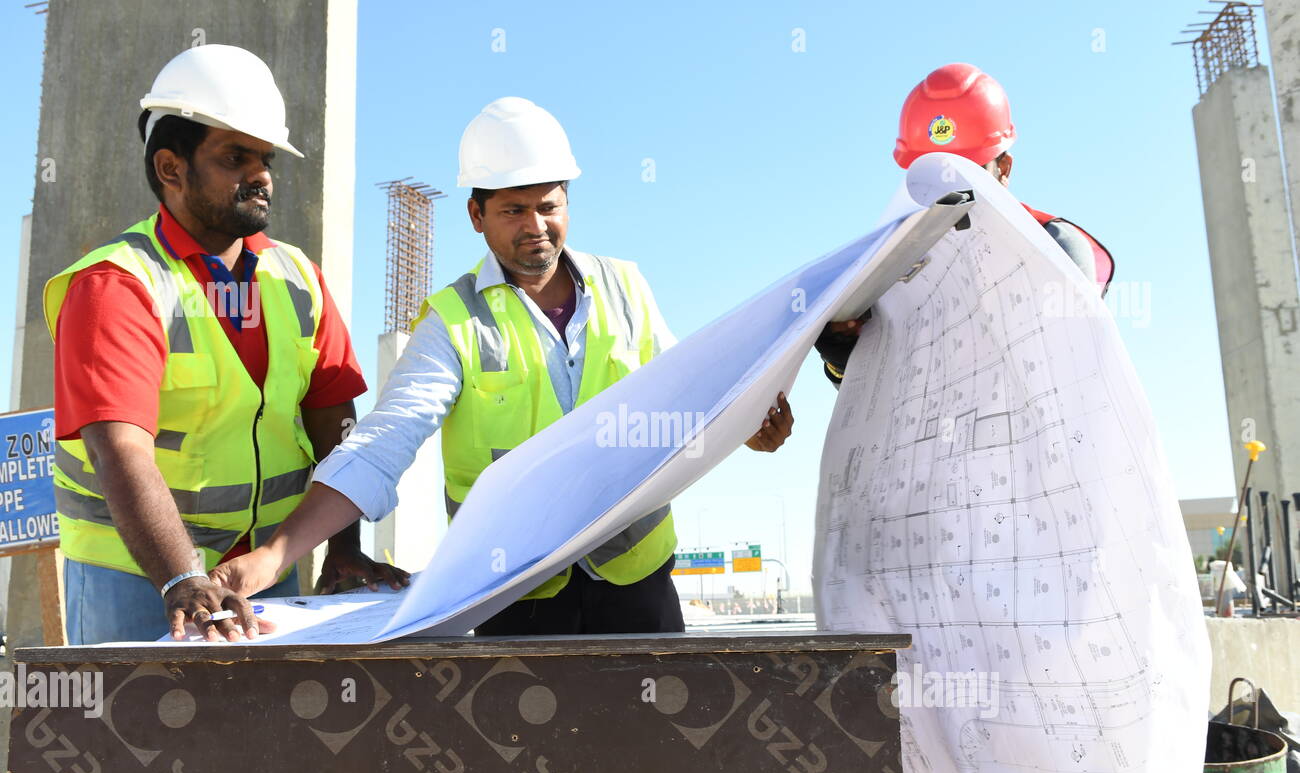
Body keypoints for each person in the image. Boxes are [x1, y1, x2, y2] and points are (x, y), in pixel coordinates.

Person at [211, 97, 793, 636]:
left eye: (548, 205)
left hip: (636, 579)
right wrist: (270, 559)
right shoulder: (450, 321)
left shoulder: (626, 287)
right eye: (514, 209)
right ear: (476, 214)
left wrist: (747, 425)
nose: (536, 226)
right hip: (515, 592)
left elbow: (689, 398)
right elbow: (381, 446)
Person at [43, 44, 402, 645]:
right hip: (135, 577)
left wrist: (342, 548)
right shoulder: (117, 285)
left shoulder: (297, 278)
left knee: (260, 736)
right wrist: (182, 577)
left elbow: (332, 420)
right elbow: (122, 453)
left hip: (262, 572)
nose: (260, 175)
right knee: (137, 736)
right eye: (235, 157)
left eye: (264, 158)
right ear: (170, 168)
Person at [816, 63, 1116, 385]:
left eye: (967, 173)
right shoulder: (888, 270)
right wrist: (843, 361)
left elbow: (1069, 379)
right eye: (931, 175)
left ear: (1004, 168)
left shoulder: (1056, 245)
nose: (949, 191)